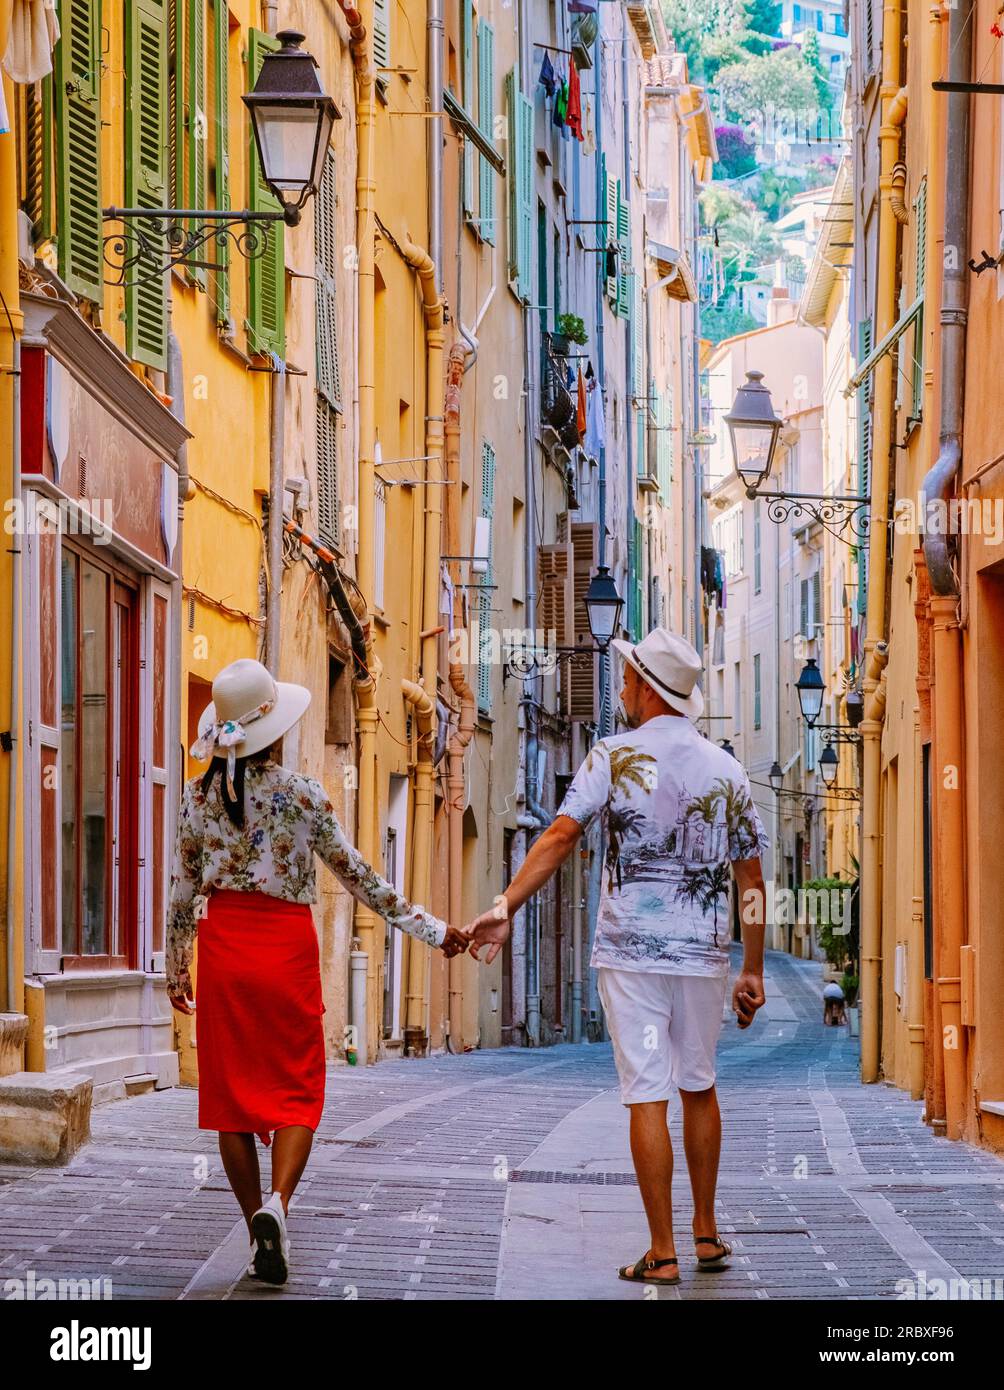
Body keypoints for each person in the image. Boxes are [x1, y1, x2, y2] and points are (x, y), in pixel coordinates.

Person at [464, 628, 770, 1288]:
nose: (621, 688)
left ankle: (662, 1252)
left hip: (631, 953)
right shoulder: (726, 769)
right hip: (704, 955)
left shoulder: (613, 755)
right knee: (699, 1084)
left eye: (628, 678)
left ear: (646, 689)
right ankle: (706, 1233)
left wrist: (505, 904)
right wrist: (753, 969)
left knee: (646, 1095)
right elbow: (751, 880)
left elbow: (560, 834)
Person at [166, 658, 467, 1286]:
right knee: (298, 1086)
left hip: (224, 951)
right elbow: (359, 877)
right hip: (284, 952)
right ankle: (278, 1204)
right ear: (273, 732)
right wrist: (434, 931)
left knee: (230, 1104)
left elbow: (182, 893)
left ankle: (257, 1227)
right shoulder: (303, 795)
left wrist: (176, 968)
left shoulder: (196, 800)